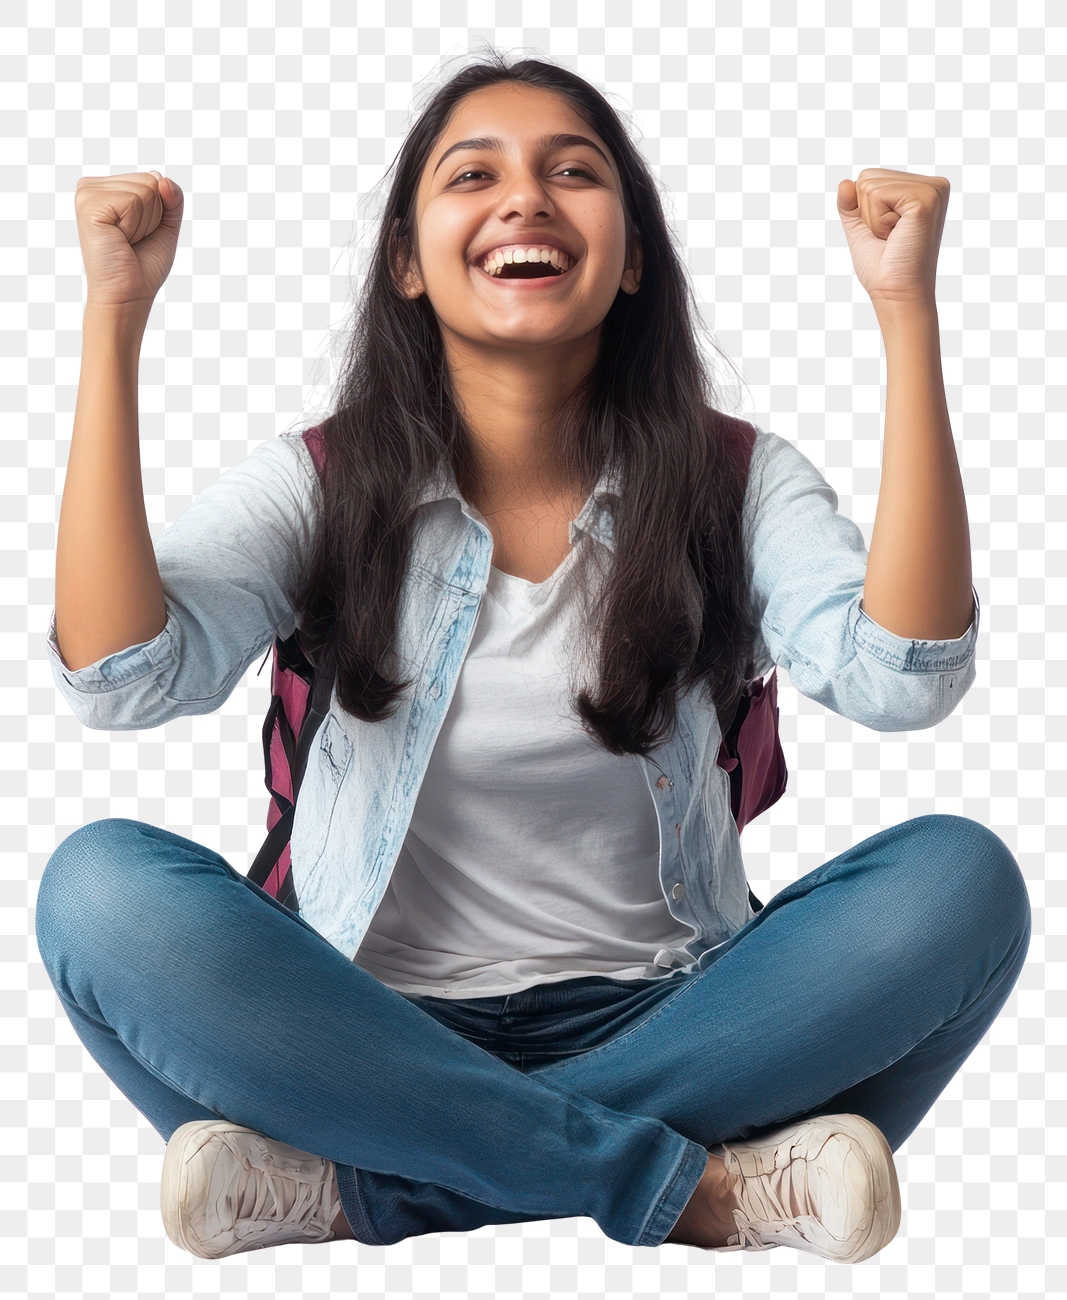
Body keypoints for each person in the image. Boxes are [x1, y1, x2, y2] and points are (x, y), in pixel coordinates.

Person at [36, 54, 1030, 1265]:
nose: (525, 199)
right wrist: (114, 316)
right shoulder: (320, 481)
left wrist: (903, 313)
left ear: (632, 259)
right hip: (356, 1021)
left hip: (679, 1012)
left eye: (573, 171)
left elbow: (903, 677)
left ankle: (362, 1192)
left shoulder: (736, 481)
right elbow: (125, 677)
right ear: (407, 259)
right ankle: (700, 1190)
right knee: (97, 893)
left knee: (961, 883)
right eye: (474, 174)